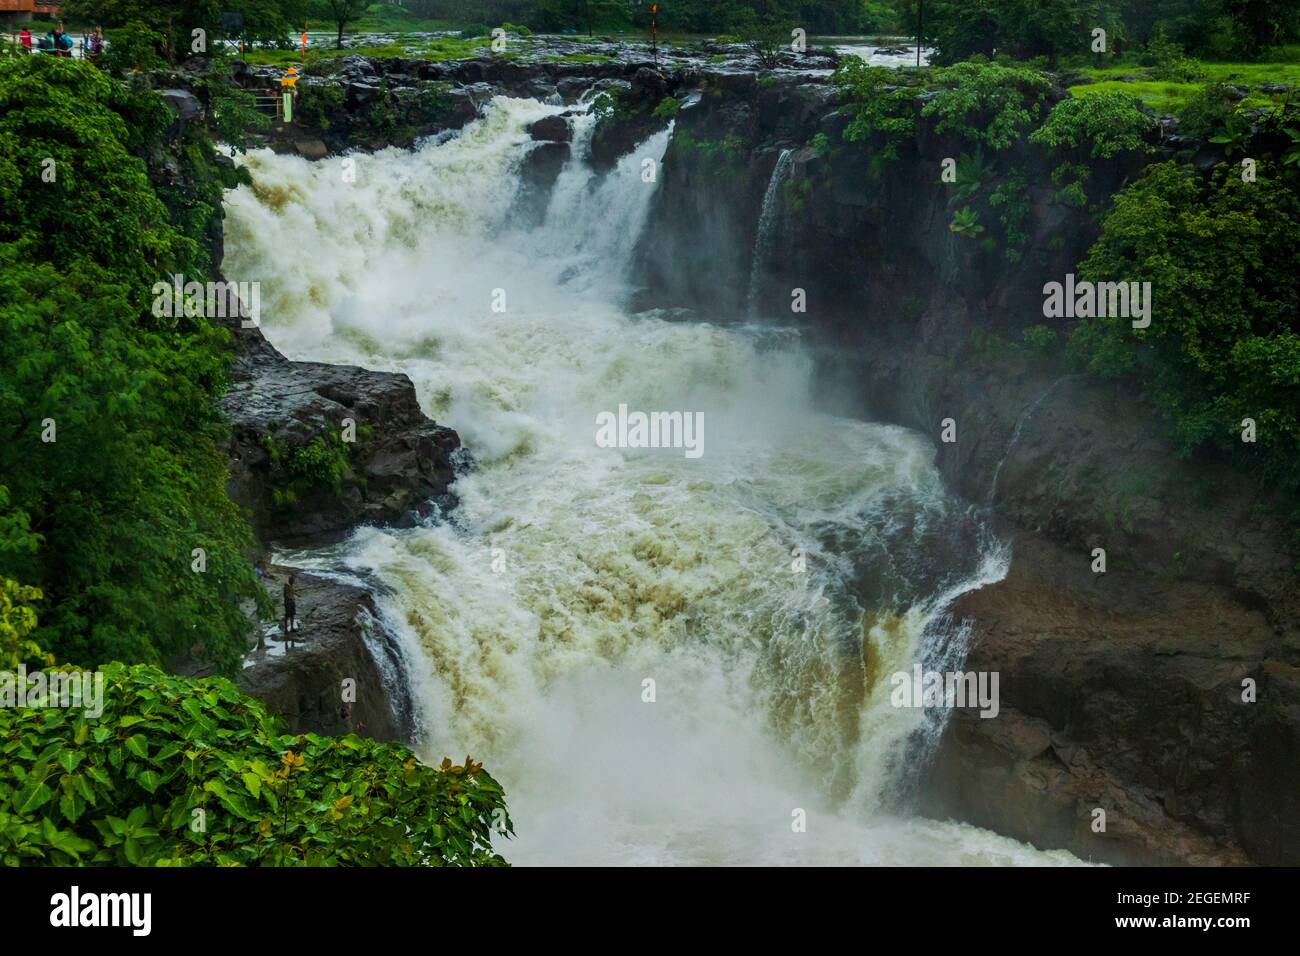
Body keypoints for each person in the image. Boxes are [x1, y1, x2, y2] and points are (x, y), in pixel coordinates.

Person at [282, 573, 298, 640]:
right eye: (293, 580)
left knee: (292, 615)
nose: (294, 582)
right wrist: (291, 598)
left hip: (291, 602)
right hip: (288, 603)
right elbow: (286, 595)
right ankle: (286, 630)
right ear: (290, 581)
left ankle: (291, 628)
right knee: (287, 616)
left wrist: (293, 598)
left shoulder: (291, 586)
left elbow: (292, 594)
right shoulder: (286, 587)